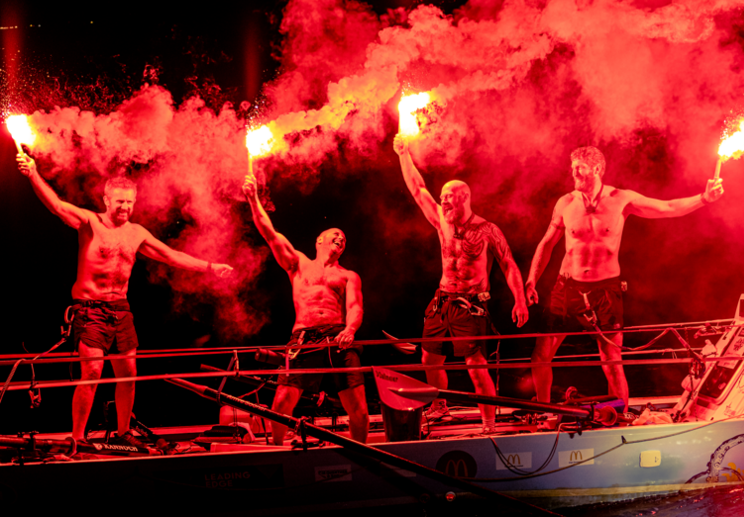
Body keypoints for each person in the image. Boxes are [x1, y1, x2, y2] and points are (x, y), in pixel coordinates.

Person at [15, 151, 233, 444]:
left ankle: (122, 433)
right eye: (120, 201)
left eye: (130, 202)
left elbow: (171, 256)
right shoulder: (90, 222)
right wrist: (33, 174)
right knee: (91, 371)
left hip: (121, 310)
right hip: (90, 309)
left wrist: (210, 266)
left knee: (128, 373)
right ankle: (77, 438)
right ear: (107, 200)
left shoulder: (136, 233)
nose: (125, 207)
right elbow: (56, 206)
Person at [524, 146, 724, 408]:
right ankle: (542, 410)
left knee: (611, 360)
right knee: (540, 355)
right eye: (572, 167)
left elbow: (667, 207)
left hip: (604, 292)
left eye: (579, 168)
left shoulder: (621, 199)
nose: (573, 173)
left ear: (597, 169)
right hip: (567, 288)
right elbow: (547, 243)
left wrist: (704, 198)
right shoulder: (566, 203)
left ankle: (620, 416)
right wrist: (531, 280)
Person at [394, 135, 528, 434]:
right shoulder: (442, 221)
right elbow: (418, 189)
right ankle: (439, 405)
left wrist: (519, 299)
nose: (442, 201)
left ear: (464, 197)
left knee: (475, 366)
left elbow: (508, 263)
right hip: (442, 300)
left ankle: (489, 425)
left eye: (448, 197)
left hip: (471, 305)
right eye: (441, 197)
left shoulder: (487, 229)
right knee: (429, 358)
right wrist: (404, 155)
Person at [242, 174, 369, 445]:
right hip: (304, 338)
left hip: (337, 338)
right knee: (282, 401)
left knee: (359, 408)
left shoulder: (349, 276)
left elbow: (355, 306)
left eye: (344, 239)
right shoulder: (298, 263)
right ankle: (276, 453)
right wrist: (253, 199)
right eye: (334, 234)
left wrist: (350, 329)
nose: (340, 238)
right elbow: (268, 231)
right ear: (319, 240)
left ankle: (363, 457)